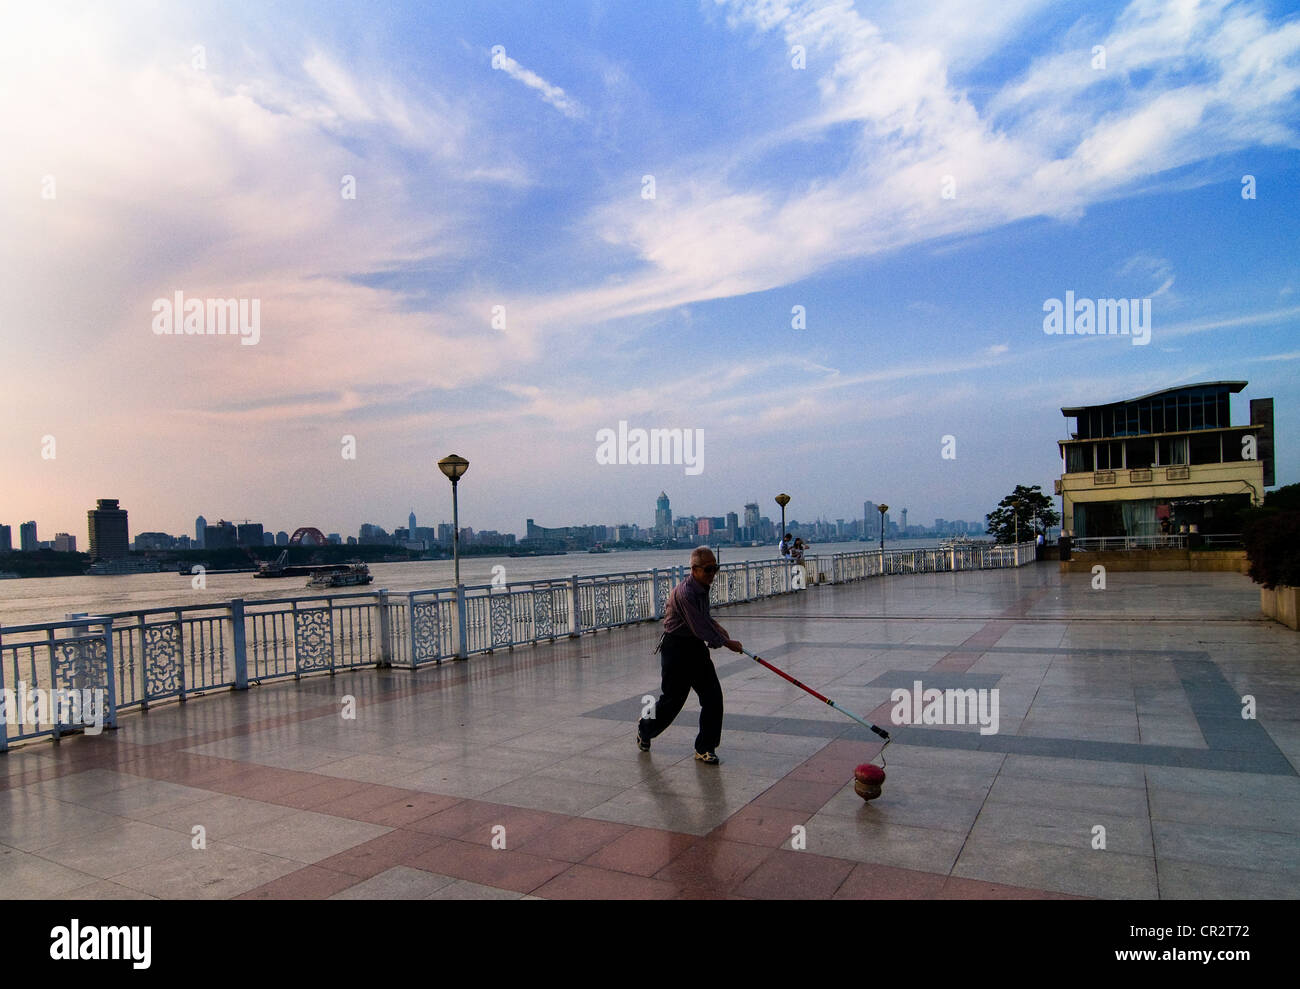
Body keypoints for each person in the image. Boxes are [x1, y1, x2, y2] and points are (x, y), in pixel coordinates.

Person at [636, 547, 742, 765]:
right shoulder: (685, 593)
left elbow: (704, 619)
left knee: (713, 698)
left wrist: (719, 630)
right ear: (694, 569)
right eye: (708, 569)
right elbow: (699, 626)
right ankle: (645, 728)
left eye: (715, 568)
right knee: (672, 701)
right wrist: (726, 643)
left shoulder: (702, 587)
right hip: (676, 649)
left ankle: (705, 747)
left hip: (695, 647)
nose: (713, 574)